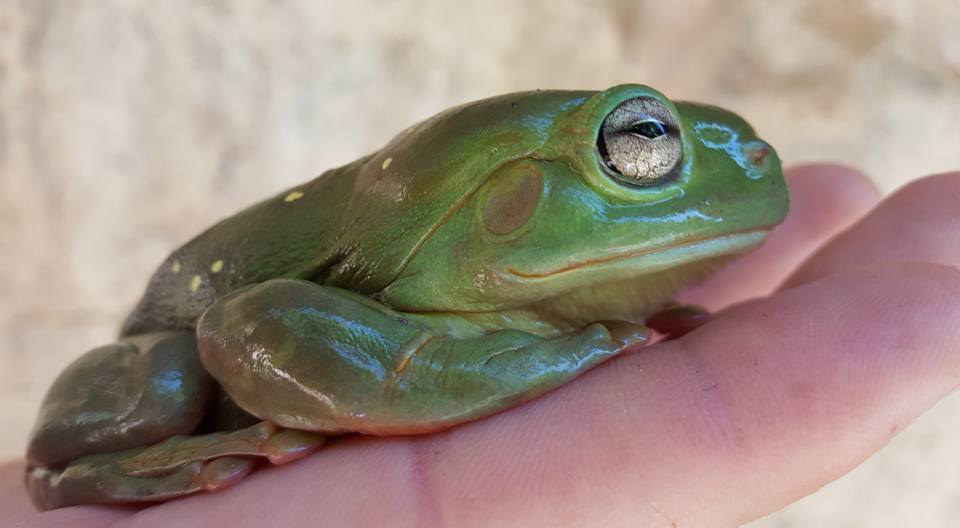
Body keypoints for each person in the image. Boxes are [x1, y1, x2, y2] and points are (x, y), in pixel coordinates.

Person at [2, 165, 958, 527]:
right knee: (164, 381)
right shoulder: (434, 259)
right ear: (514, 197)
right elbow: (246, 329)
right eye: (639, 151)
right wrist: (555, 353)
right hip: (174, 350)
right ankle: (90, 476)